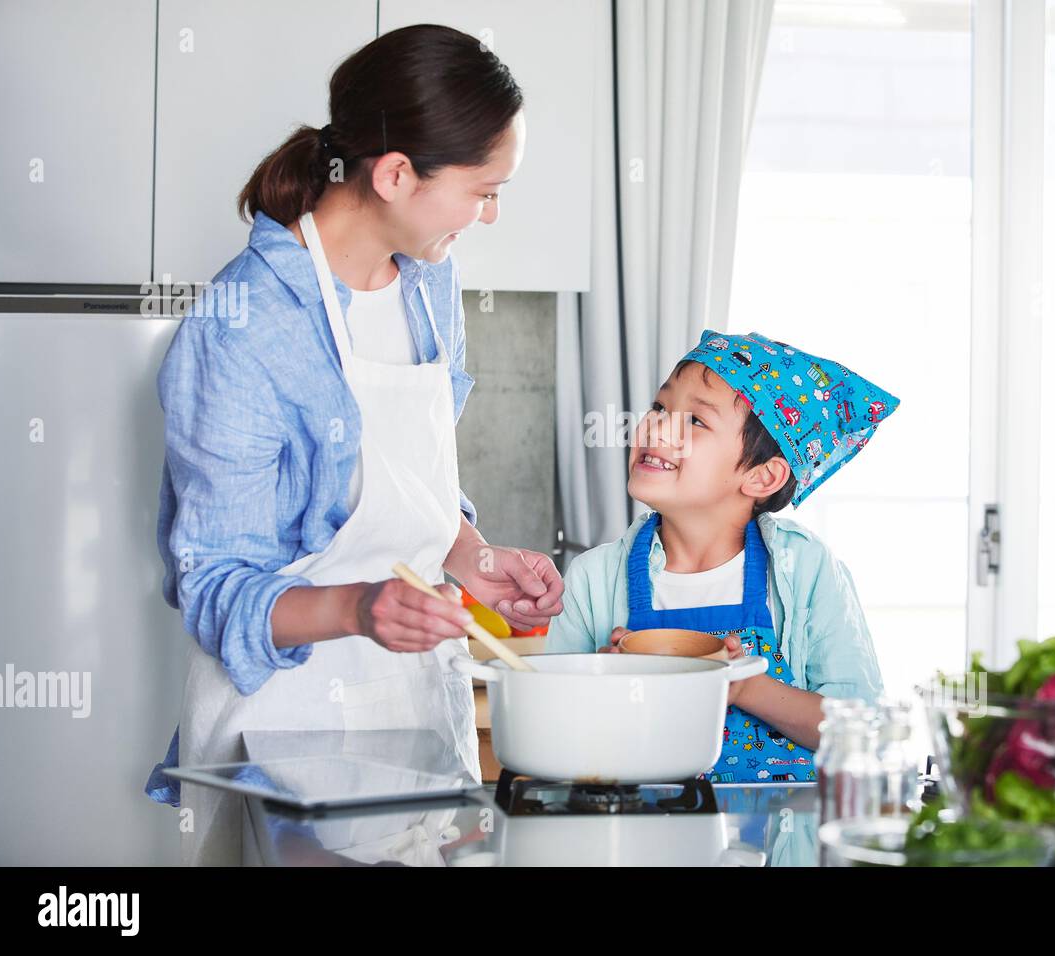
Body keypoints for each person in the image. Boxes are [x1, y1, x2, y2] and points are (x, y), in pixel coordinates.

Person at [144, 24, 563, 865]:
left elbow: (410, 487)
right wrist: (356, 609)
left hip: (414, 705)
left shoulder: (430, 279)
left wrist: (474, 558)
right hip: (286, 725)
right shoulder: (247, 325)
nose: (490, 214)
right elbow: (215, 587)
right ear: (397, 173)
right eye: (483, 190)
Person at [546, 330, 899, 783]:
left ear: (762, 476)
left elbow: (862, 732)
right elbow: (558, 730)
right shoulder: (594, 577)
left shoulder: (807, 569)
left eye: (694, 421)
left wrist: (745, 685)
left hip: (781, 846)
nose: (656, 427)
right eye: (659, 408)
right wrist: (608, 683)